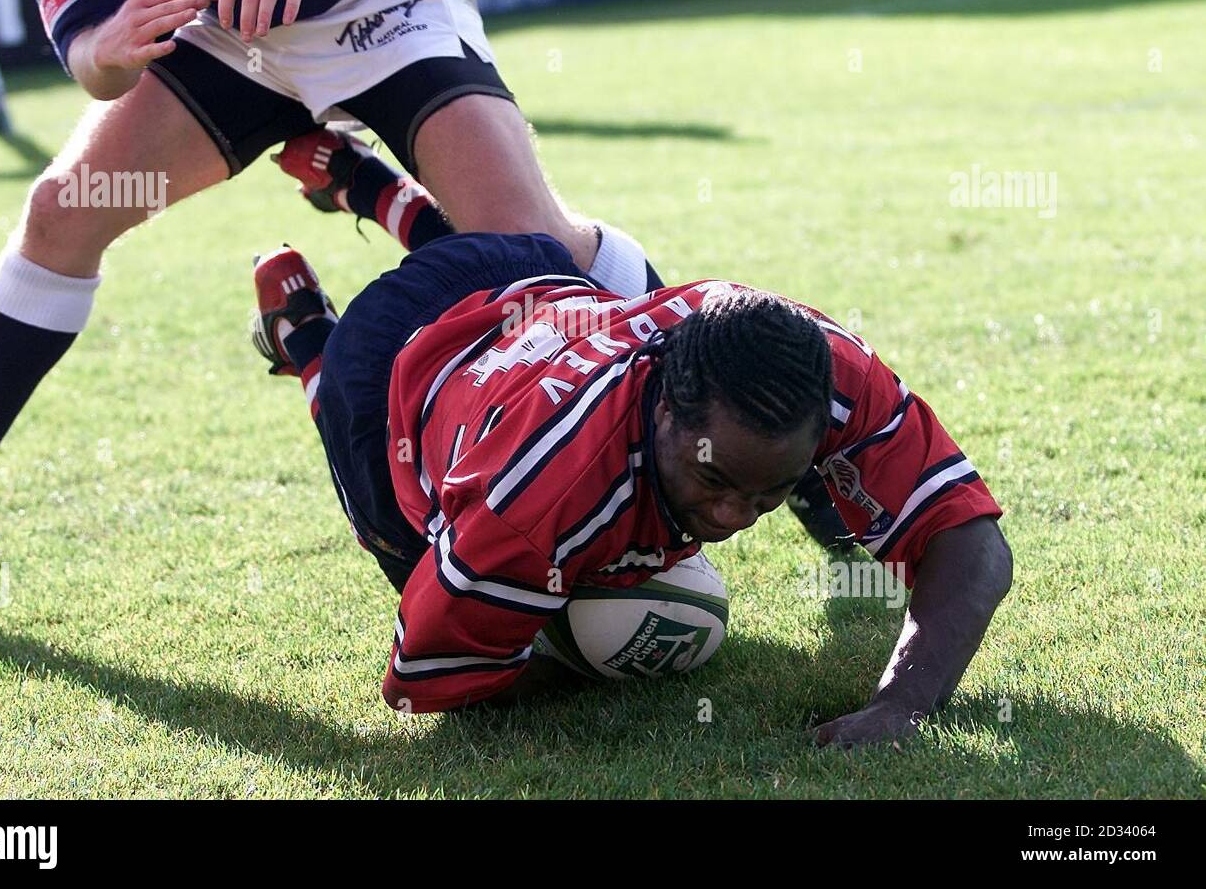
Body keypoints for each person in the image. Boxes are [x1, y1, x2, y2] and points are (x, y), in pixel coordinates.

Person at [0, 0, 663, 566]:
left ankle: (712, 370)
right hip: (242, 38)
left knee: (536, 254)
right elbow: (88, 50)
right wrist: (107, 50)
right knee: (65, 213)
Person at [249, 226, 1012, 746]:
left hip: (521, 277)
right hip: (392, 372)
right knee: (394, 529)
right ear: (665, 403)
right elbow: (425, 682)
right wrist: (578, 643)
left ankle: (384, 197)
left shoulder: (824, 368)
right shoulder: (531, 507)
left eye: (770, 493)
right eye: (716, 480)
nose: (733, 517)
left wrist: (905, 704)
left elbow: (972, 543)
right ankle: (311, 340)